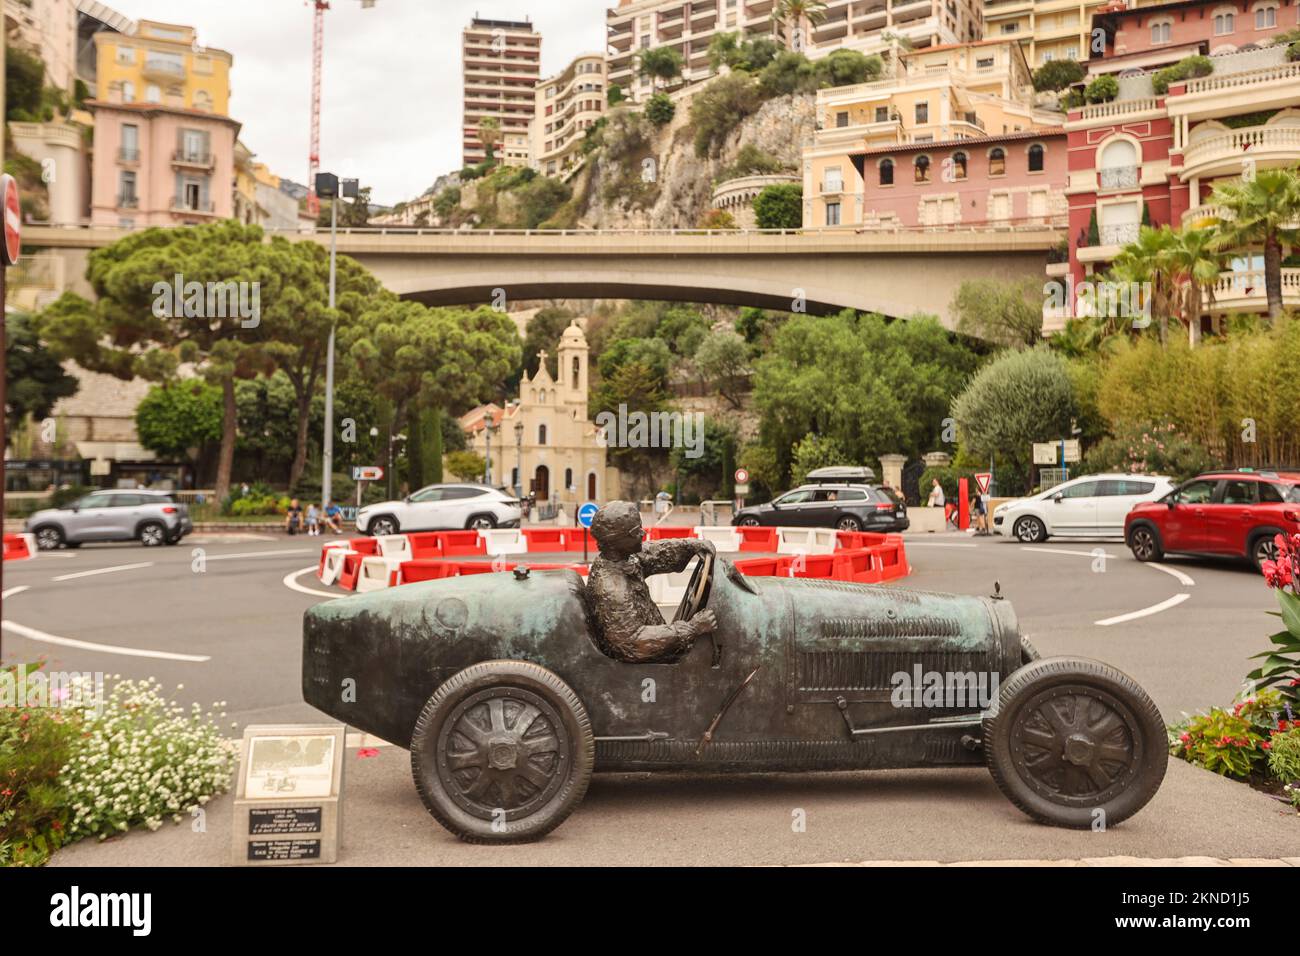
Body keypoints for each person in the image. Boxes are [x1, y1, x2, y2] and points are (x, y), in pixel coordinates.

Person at [586, 501, 717, 663]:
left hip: (660, 647)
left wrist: (691, 546)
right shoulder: (612, 589)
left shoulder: (623, 558)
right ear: (617, 540)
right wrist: (692, 628)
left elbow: (655, 553)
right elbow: (633, 642)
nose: (642, 533)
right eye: (635, 531)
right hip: (647, 664)